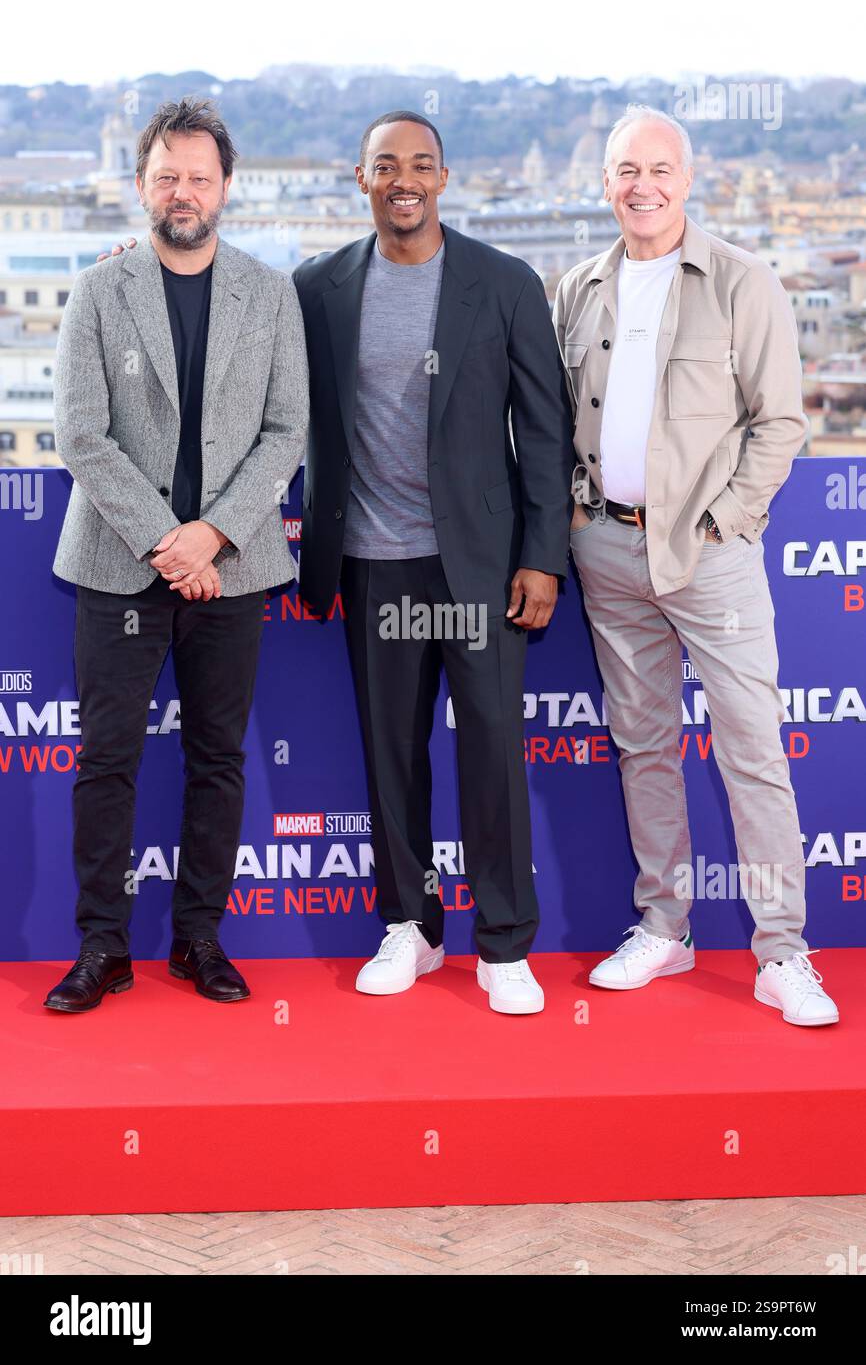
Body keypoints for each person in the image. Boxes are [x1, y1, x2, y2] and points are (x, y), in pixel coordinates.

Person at [553, 103, 838, 1026]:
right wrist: (576, 515)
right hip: (606, 548)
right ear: (604, 183)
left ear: (689, 178)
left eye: (660, 170)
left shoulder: (743, 282)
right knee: (643, 747)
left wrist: (725, 521)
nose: (643, 187)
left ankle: (783, 952)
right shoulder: (578, 289)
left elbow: (780, 420)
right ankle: (663, 929)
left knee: (753, 751)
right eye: (626, 170)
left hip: (710, 556)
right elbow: (552, 418)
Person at [294, 111, 574, 1014]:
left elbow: (543, 431)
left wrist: (542, 556)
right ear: (362, 178)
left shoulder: (503, 282)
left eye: (420, 165)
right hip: (373, 561)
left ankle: (503, 945)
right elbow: (239, 334)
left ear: (444, 180)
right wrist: (128, 269)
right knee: (391, 757)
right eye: (385, 165)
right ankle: (408, 928)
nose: (403, 179)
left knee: (492, 751)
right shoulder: (318, 287)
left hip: (482, 570)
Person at [45, 97, 309, 1012]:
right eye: (167, 176)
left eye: (200, 177)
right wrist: (171, 541)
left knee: (217, 760)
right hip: (120, 564)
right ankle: (101, 949)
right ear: (142, 186)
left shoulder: (271, 295)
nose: (183, 191)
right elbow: (81, 435)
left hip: (231, 564)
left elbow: (286, 433)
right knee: (106, 762)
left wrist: (213, 536)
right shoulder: (96, 290)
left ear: (227, 187)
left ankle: (200, 939)